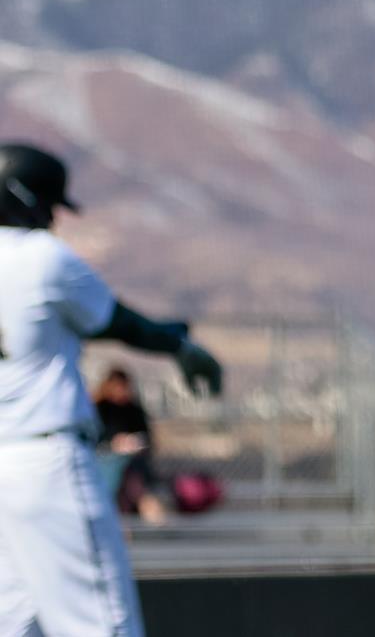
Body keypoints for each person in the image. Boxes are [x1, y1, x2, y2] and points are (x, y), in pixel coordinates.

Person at [0, 143, 224, 637]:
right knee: (103, 624)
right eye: (51, 205)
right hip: (46, 463)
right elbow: (114, 320)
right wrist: (180, 344)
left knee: (14, 621)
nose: (54, 218)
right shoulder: (40, 258)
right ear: (25, 199)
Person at [94, 368, 167, 524]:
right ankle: (148, 510)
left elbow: (148, 439)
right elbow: (93, 440)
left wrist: (134, 443)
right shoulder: (99, 409)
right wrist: (113, 444)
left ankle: (128, 520)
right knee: (124, 478)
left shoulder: (134, 410)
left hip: (134, 462)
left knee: (130, 477)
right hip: (105, 463)